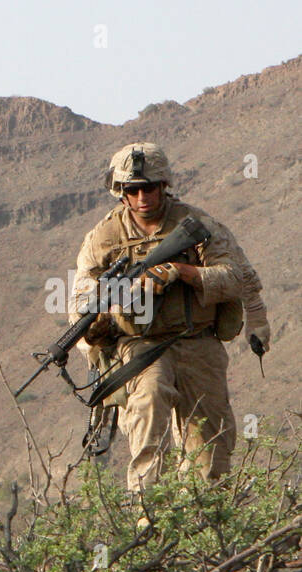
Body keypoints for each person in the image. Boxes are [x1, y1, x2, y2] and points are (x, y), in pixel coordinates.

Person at [70, 142, 257, 492]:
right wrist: (100, 319)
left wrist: (181, 272)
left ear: (164, 185)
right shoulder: (104, 236)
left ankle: (211, 530)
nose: (142, 196)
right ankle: (148, 521)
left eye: (150, 187)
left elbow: (235, 278)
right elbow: (81, 298)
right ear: (121, 192)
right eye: (133, 189)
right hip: (141, 347)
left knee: (211, 448)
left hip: (197, 342)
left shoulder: (197, 225)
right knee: (147, 418)